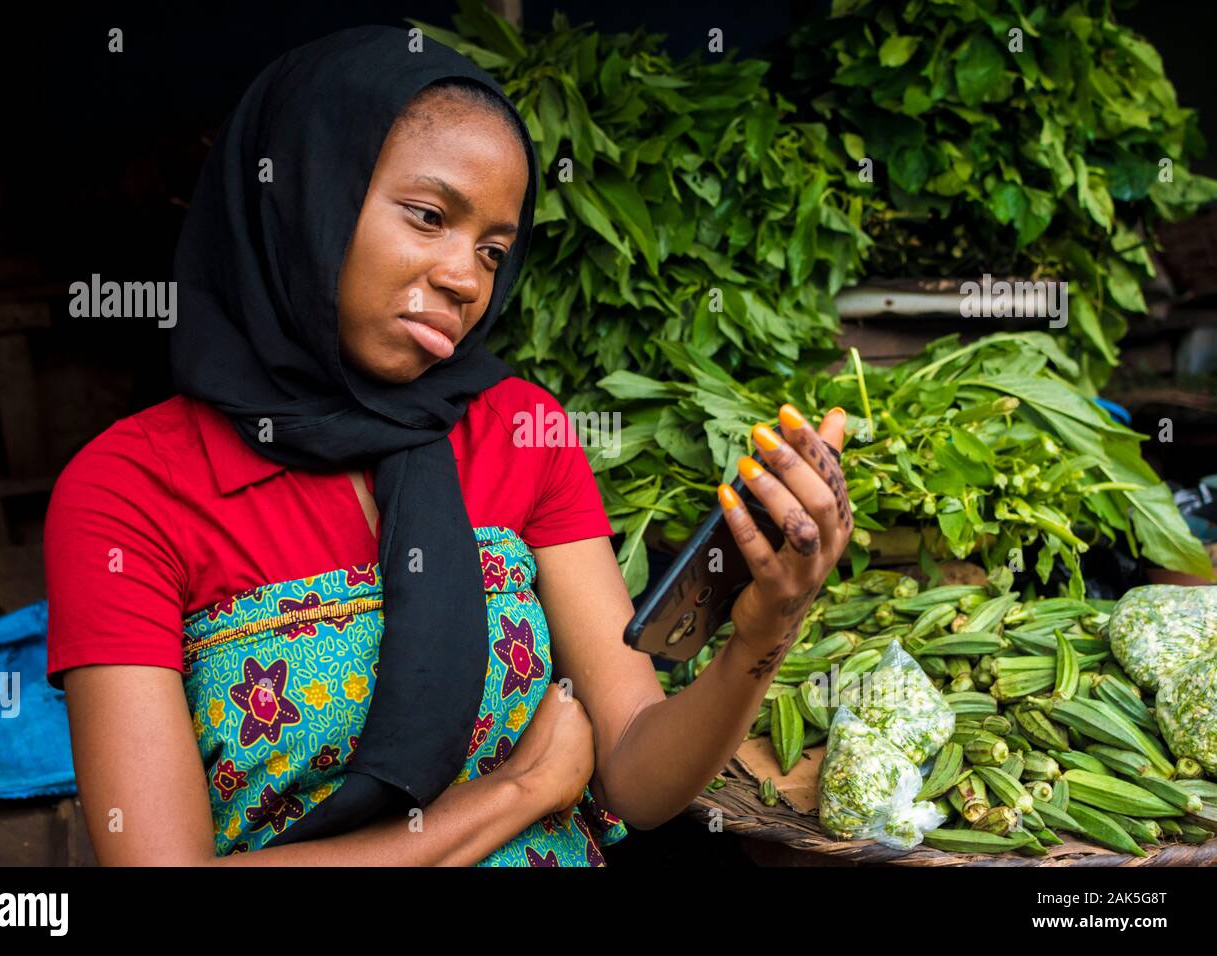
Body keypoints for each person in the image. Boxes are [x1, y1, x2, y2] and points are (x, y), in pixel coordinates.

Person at [44, 24, 851, 867]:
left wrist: (764, 629)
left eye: (494, 249)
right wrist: (519, 793)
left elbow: (638, 777)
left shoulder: (518, 431)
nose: (467, 278)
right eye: (429, 217)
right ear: (304, 194)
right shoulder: (127, 492)